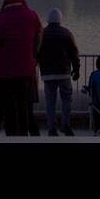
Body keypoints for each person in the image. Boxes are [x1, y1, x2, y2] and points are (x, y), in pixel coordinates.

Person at [0, 0, 42, 136]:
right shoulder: (32, 16)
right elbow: (38, 37)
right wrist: (33, 55)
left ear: (5, 0)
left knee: (9, 109)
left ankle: (12, 137)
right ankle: (23, 137)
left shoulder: (1, 17)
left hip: (4, 72)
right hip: (26, 70)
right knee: (23, 106)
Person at [37, 8, 80, 136]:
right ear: (60, 20)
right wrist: (76, 70)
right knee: (66, 98)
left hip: (47, 74)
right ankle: (65, 124)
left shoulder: (41, 34)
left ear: (48, 20)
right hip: (64, 73)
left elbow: (36, 52)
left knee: (50, 101)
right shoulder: (67, 33)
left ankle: (52, 129)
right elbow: (74, 53)